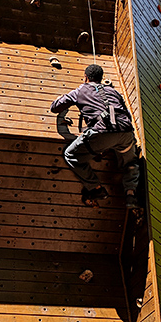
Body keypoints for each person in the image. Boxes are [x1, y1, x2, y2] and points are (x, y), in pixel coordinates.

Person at [50, 64, 141, 214]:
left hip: (101, 133)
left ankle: (96, 189)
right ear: (101, 78)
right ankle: (130, 194)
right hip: (125, 133)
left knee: (71, 154)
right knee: (130, 162)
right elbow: (127, 115)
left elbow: (55, 107)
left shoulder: (81, 90)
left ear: (85, 77)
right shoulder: (114, 92)